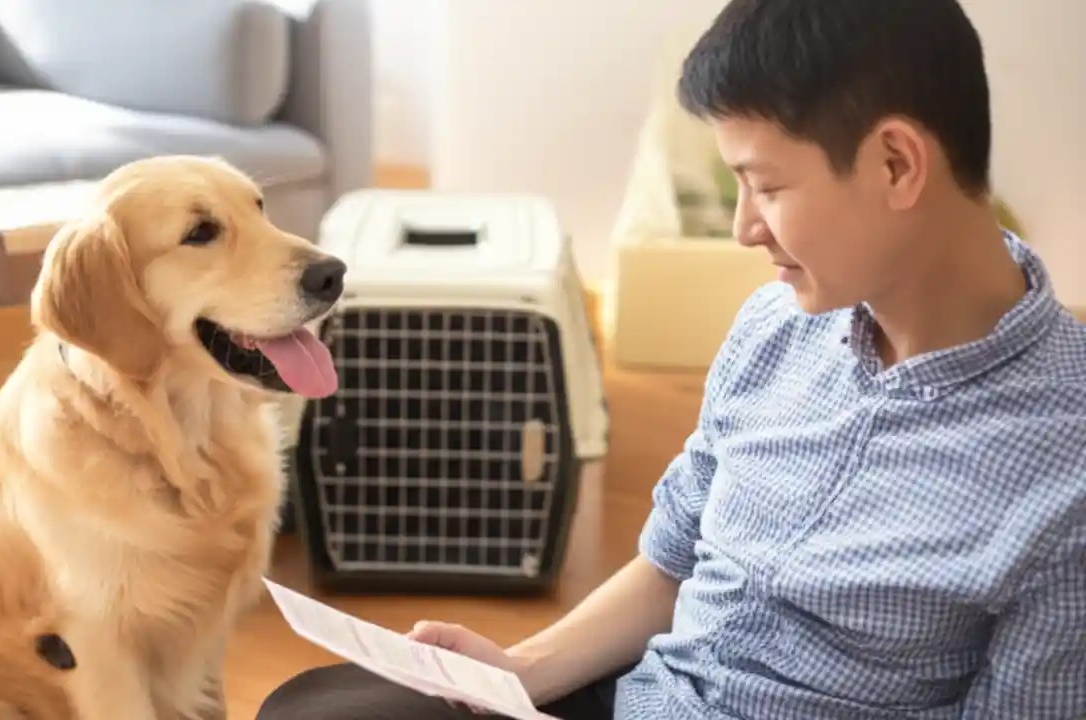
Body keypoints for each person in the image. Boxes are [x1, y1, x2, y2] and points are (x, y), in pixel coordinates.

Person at [257, 0, 1086, 717]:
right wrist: (521, 672)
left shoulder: (1066, 471)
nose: (744, 228)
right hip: (647, 697)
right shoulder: (776, 327)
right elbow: (670, 566)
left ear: (895, 163)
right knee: (322, 708)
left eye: (766, 185)